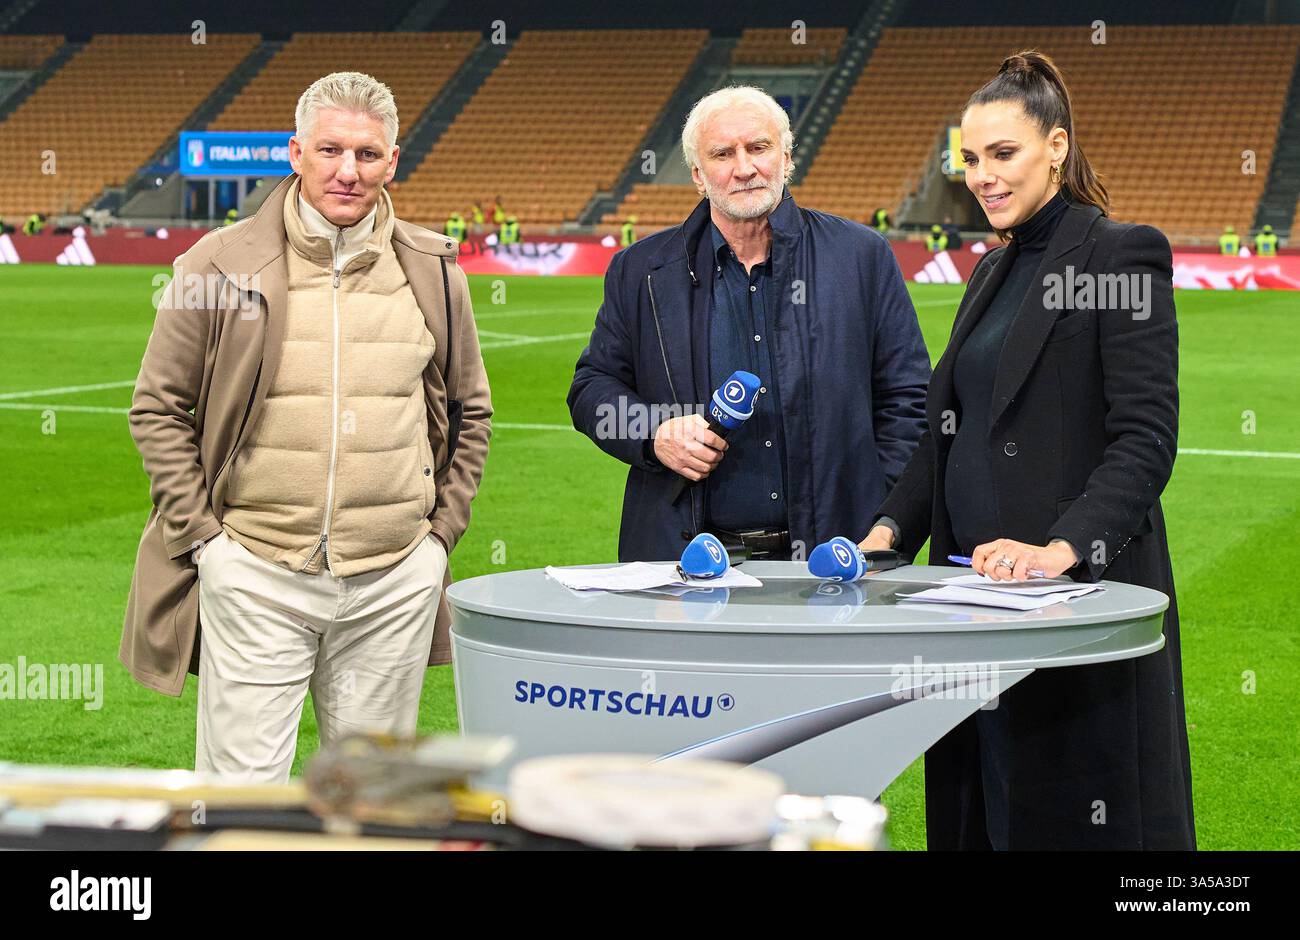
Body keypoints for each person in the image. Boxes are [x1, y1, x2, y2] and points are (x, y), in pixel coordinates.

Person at [860, 51, 1194, 850]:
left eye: (1002, 154)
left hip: (1071, 607)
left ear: (1056, 146)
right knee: (983, 807)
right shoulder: (989, 270)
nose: (982, 176)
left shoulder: (1122, 253)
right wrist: (887, 531)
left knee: (1072, 815)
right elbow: (953, 427)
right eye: (969, 159)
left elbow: (1146, 437)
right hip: (970, 604)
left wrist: (1064, 547)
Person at [120, 71, 493, 782]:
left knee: (369, 803)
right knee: (242, 799)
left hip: (393, 580)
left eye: (366, 155)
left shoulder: (436, 269)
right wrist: (206, 543)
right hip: (256, 571)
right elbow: (158, 408)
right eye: (329, 151)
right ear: (295, 153)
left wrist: (437, 541)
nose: (347, 172)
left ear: (393, 161)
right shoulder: (215, 264)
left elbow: (471, 411)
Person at [568, 85, 930, 563]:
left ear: (786, 157)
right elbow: (592, 388)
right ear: (698, 175)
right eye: (722, 154)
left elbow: (909, 399)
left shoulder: (860, 257)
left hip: (835, 559)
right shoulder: (642, 271)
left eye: (758, 148)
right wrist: (654, 433)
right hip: (688, 563)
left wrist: (879, 515)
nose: (744, 168)